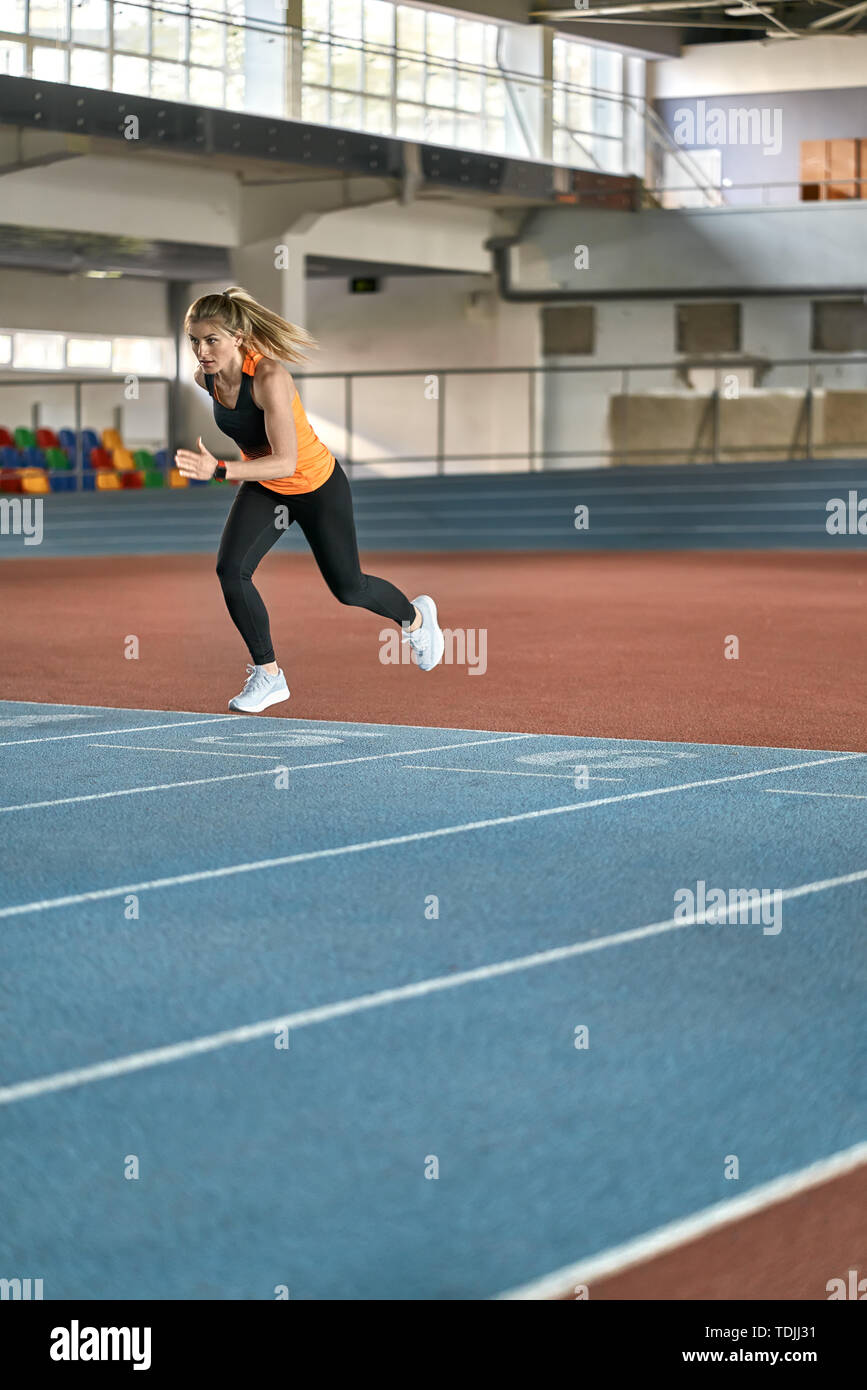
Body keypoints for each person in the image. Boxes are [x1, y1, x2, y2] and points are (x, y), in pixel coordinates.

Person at [174, 286, 444, 712]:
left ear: (238, 338)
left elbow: (284, 462)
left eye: (211, 340)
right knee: (231, 569)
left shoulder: (269, 378)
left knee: (349, 588)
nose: (201, 350)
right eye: (194, 340)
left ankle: (416, 618)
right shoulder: (203, 379)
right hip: (267, 489)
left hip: (316, 486)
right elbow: (262, 458)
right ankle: (268, 675)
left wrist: (220, 470)